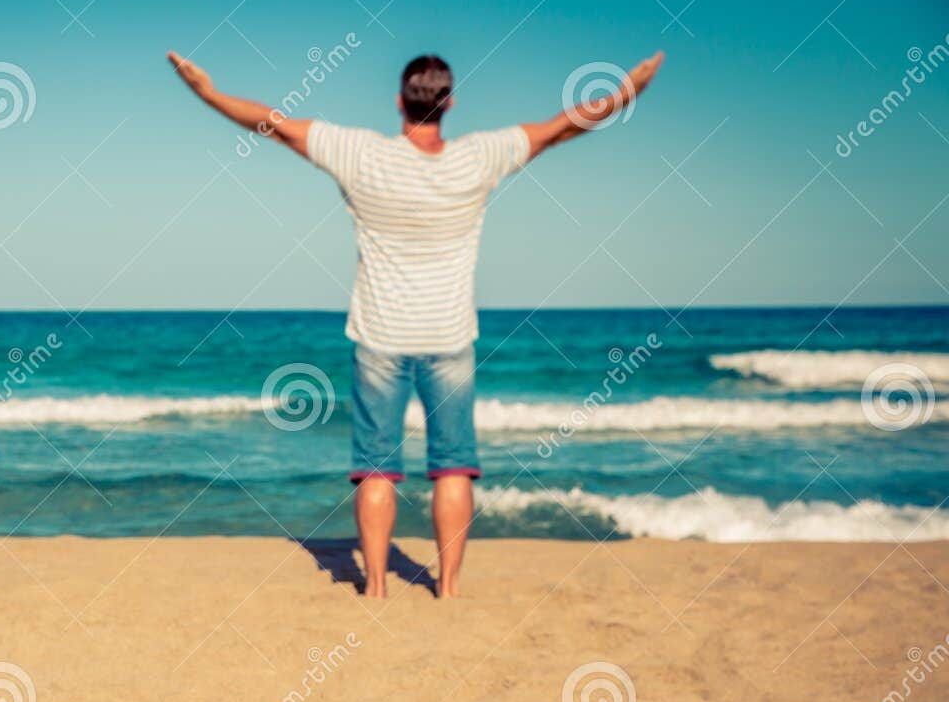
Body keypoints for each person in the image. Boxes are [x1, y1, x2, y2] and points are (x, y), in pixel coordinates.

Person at [168, 48, 664, 598]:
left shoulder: (360, 153)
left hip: (379, 336)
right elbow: (562, 128)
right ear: (450, 102)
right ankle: (447, 589)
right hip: (449, 337)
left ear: (399, 100)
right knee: (453, 466)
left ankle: (376, 587)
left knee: (375, 468)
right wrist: (625, 93)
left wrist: (208, 92)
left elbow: (275, 126)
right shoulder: (480, 156)